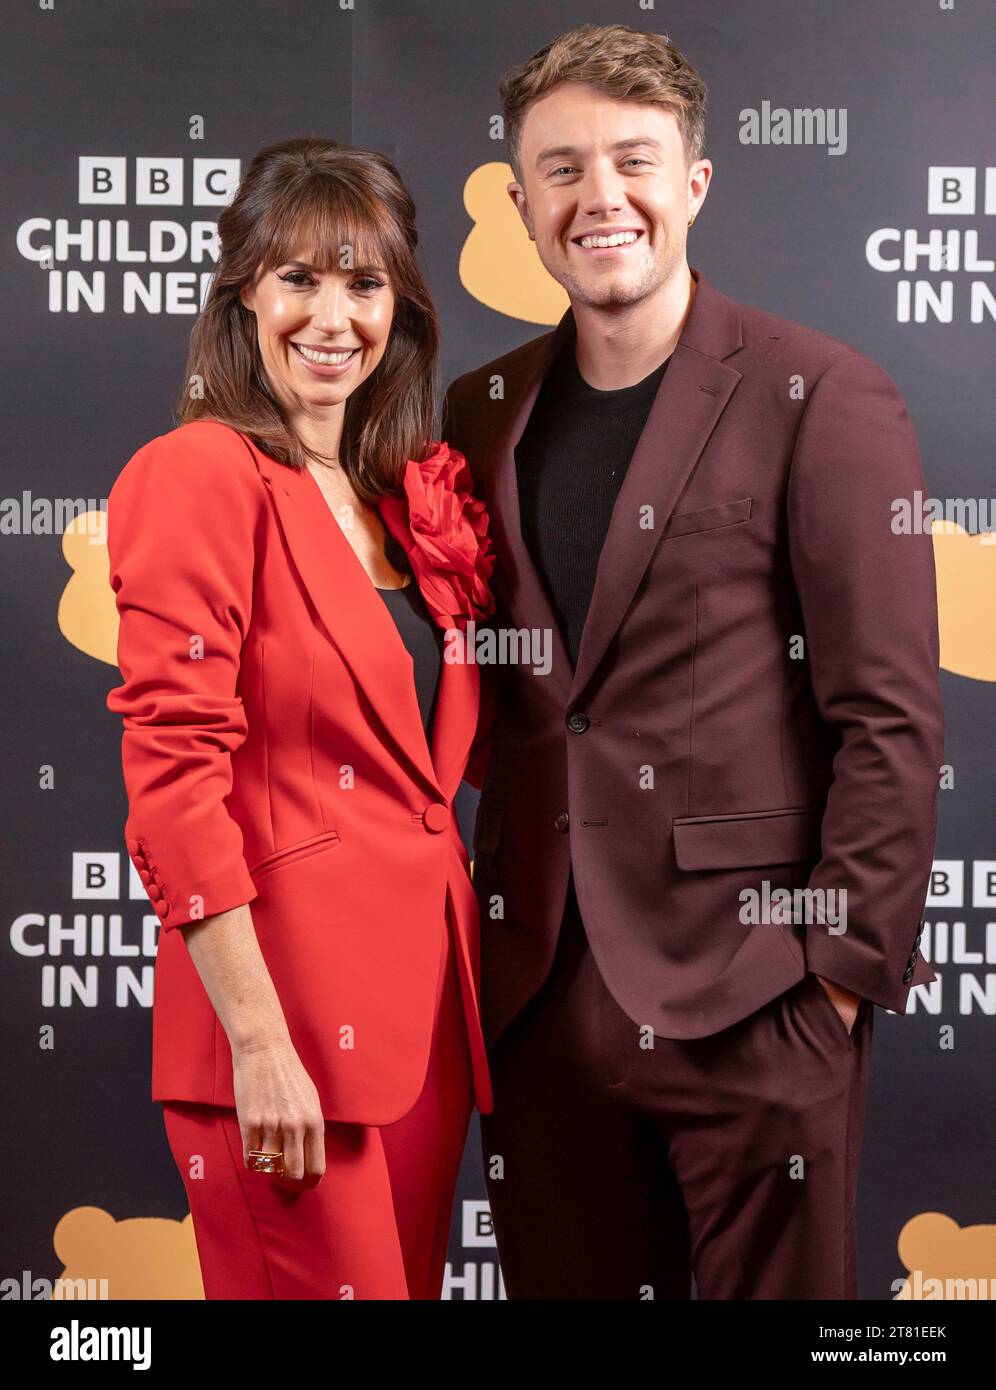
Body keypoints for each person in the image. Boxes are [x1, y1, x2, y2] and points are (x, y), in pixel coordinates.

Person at [443, 24, 944, 1299]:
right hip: (539, 995)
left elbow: (888, 718)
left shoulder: (820, 393)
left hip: (755, 991)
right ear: (519, 203)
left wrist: (829, 983)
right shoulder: (479, 412)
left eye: (632, 161)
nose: (598, 198)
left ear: (695, 185)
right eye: (560, 170)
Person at [105, 136, 496, 1300]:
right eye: (301, 278)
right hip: (280, 1038)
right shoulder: (201, 473)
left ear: (401, 306)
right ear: (245, 298)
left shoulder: (398, 496)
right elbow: (175, 780)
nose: (334, 316)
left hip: (418, 1033)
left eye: (365, 283)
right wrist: (260, 1043)